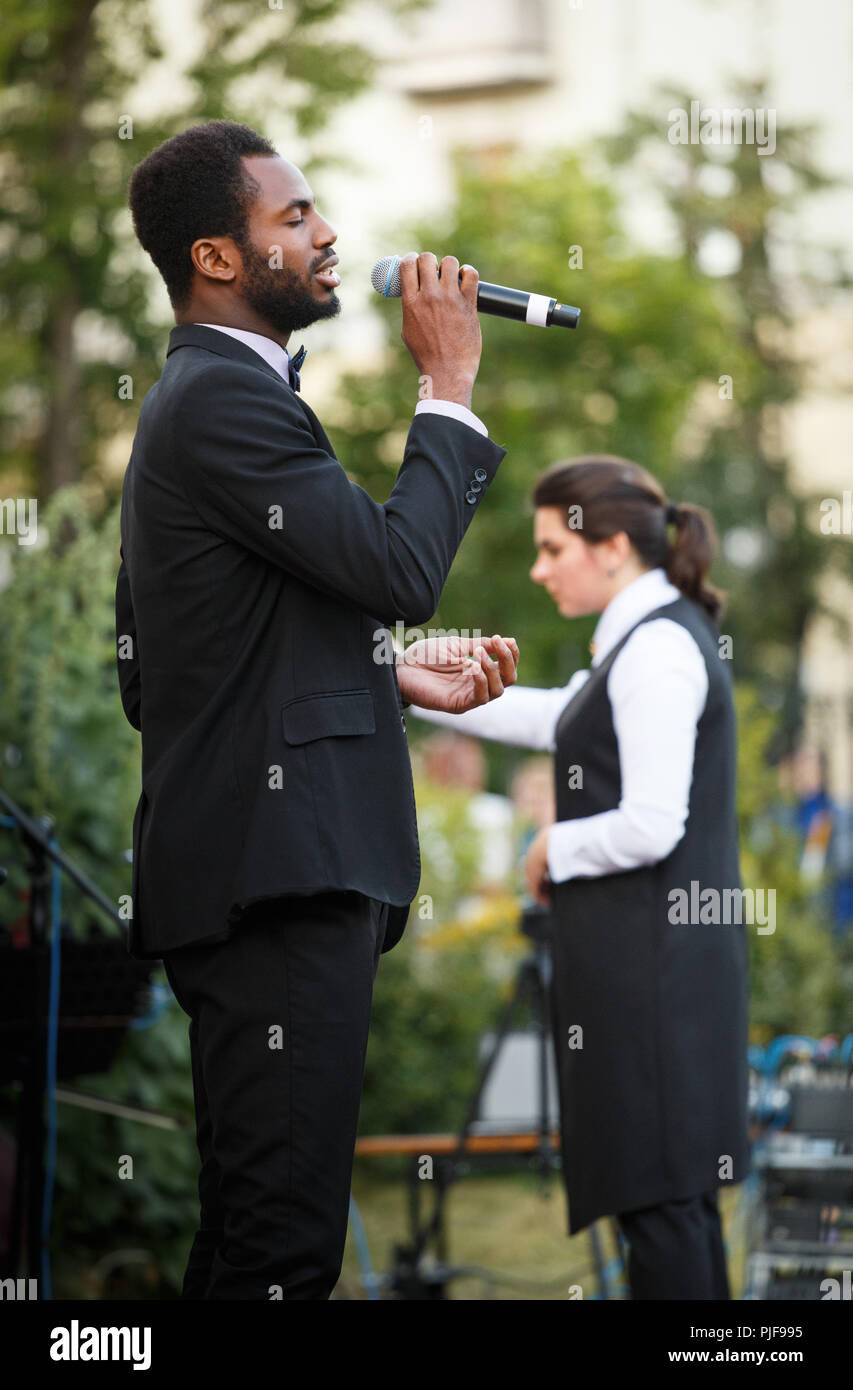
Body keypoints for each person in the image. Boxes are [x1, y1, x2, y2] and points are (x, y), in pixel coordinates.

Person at [115, 119, 520, 1299]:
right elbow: (397, 570)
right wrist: (447, 383)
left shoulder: (199, 407)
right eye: (293, 216)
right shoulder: (224, 405)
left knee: (250, 1246)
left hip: (252, 878)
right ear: (218, 259)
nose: (330, 232)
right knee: (283, 1258)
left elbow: (164, 668)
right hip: (278, 882)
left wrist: (381, 673)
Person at [411, 454, 751, 1300]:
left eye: (550, 550)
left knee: (661, 1210)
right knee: (667, 1209)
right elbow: (557, 715)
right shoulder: (645, 640)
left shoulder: (658, 649)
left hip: (654, 988)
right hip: (654, 983)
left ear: (607, 548)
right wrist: (407, 678)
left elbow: (650, 822)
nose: (537, 569)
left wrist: (547, 851)